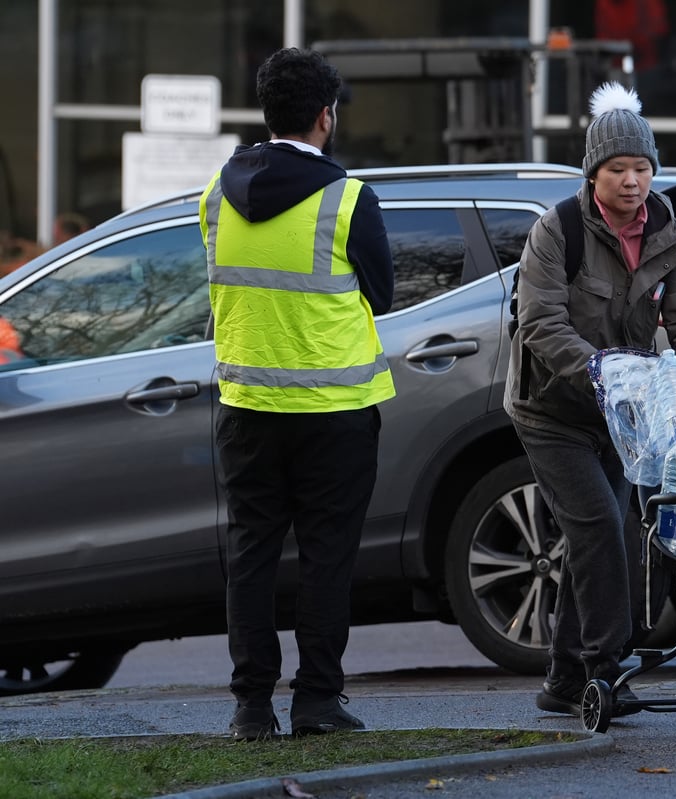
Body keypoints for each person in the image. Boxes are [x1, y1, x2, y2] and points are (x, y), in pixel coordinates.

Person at [504, 81, 676, 715]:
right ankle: (608, 667)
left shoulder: (666, 228)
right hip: (553, 410)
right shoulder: (557, 230)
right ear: (594, 173)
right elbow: (540, 323)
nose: (632, 181)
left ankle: (565, 683)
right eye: (618, 169)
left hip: (624, 420)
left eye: (642, 168)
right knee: (599, 525)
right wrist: (600, 370)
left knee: (601, 533)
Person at [199, 47, 395, 741]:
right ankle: (316, 700)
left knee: (250, 555)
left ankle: (250, 706)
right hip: (335, 413)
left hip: (247, 408)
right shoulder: (348, 198)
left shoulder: (215, 193)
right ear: (325, 116)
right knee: (326, 557)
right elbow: (382, 291)